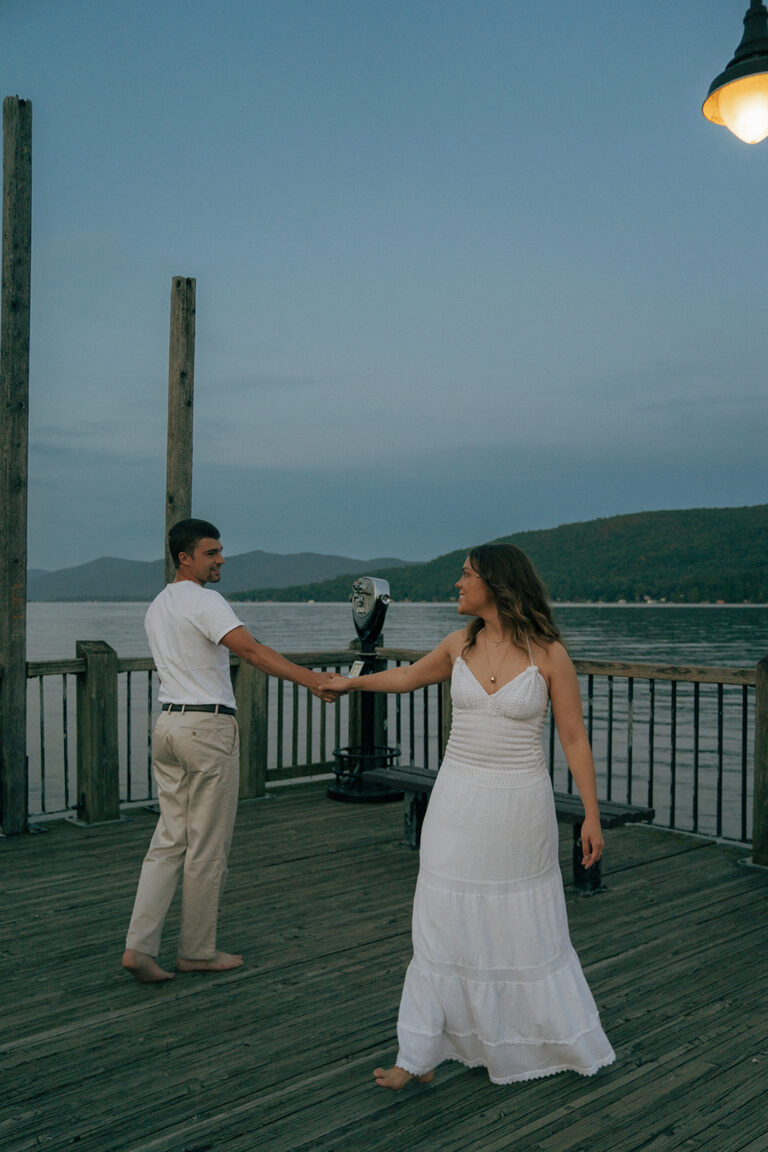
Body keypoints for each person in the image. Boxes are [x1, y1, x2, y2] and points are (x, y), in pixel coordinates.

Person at [321, 543, 616, 1088]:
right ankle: (420, 1053)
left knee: (516, 923)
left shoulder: (549, 654)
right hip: (456, 801)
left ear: (497, 585)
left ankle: (526, 1036)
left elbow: (574, 738)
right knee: (441, 919)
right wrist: (350, 682)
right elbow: (405, 678)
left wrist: (592, 816)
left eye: (465, 576)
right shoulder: (459, 644)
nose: (457, 584)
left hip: (519, 806)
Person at [122, 518, 334, 984]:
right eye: (211, 553)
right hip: (206, 728)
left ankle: (139, 946)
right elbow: (252, 651)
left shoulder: (159, 605)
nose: (220, 560)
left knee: (169, 840)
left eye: (220, 552)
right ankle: (196, 950)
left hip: (168, 727)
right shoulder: (204, 601)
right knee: (207, 846)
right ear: (185, 558)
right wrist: (313, 679)